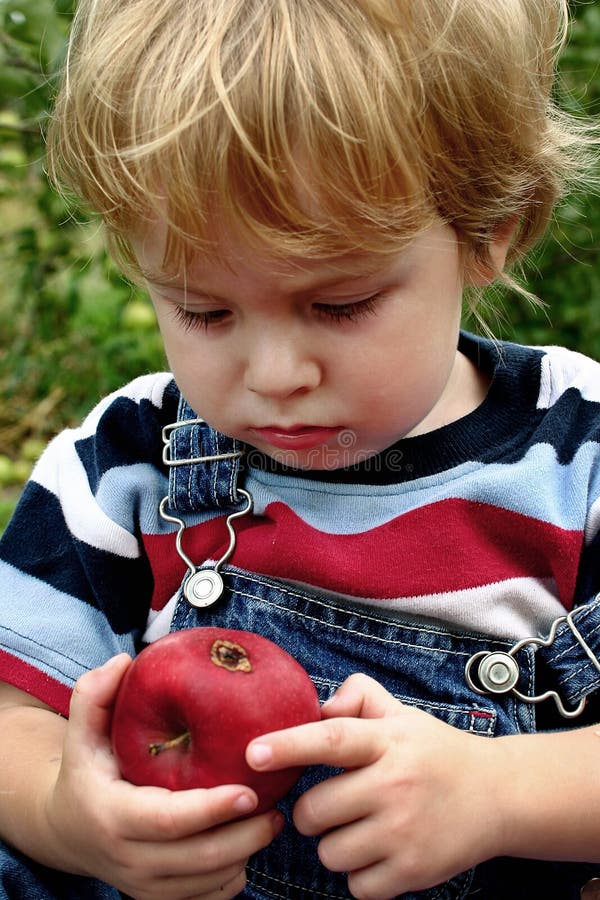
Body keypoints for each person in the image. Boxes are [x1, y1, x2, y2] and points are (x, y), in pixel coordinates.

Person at [0, 0, 599, 897]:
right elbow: (14, 711)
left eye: (340, 303)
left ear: (491, 230)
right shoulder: (130, 465)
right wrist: (62, 812)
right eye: (204, 311)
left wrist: (502, 794)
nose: (275, 374)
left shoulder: (575, 462)